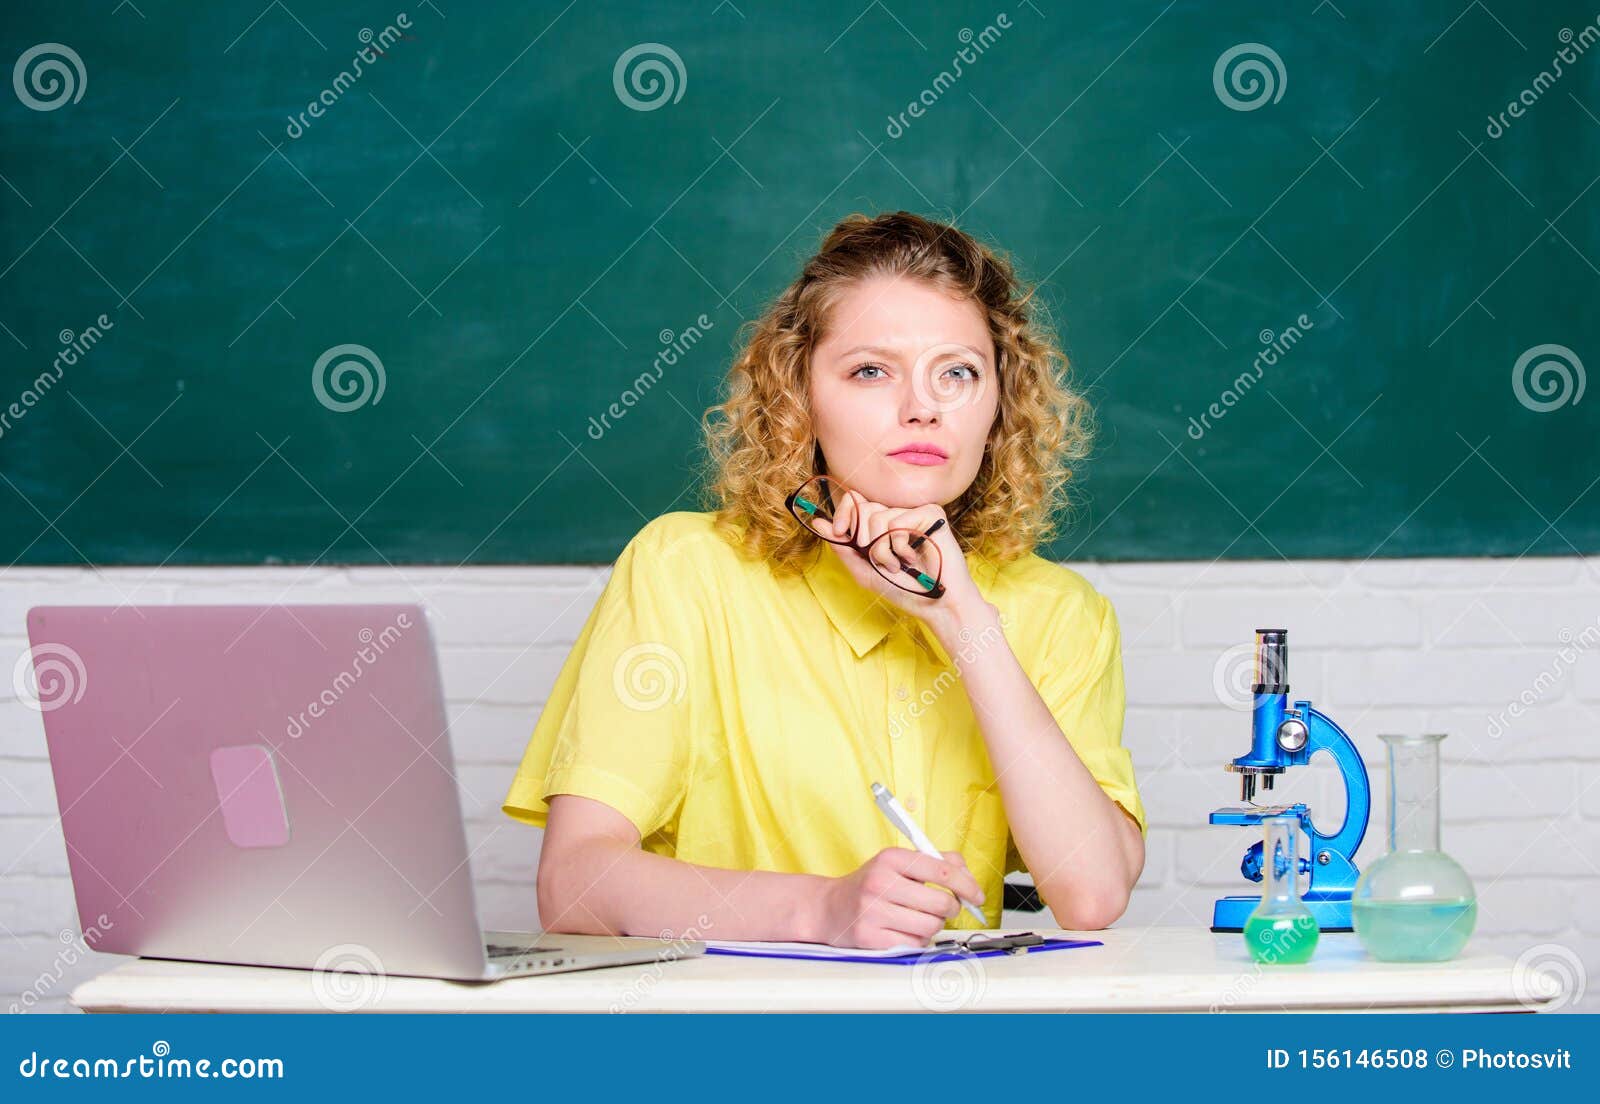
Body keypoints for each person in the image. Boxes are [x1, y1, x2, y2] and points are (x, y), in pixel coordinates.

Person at [502, 211, 1146, 949]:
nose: (921, 407)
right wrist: (821, 911)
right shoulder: (686, 570)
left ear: (1000, 405)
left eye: (958, 372)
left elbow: (1091, 893)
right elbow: (574, 884)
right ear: (799, 398)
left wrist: (962, 622)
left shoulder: (1063, 613)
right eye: (871, 371)